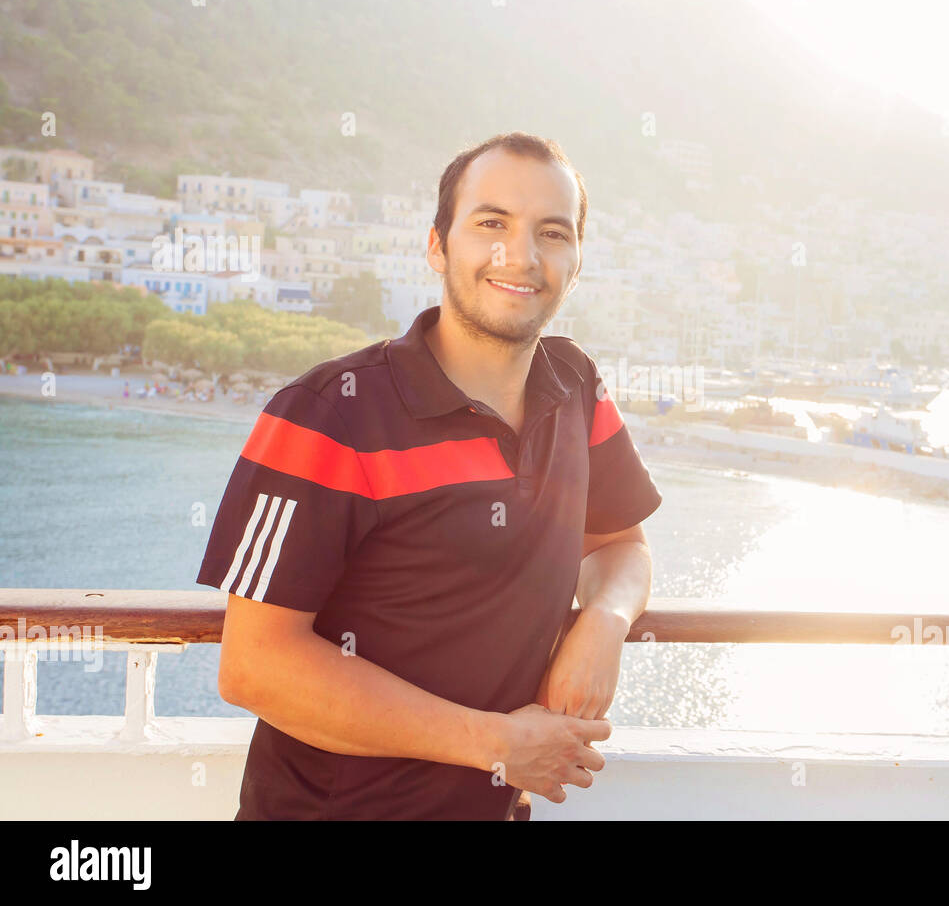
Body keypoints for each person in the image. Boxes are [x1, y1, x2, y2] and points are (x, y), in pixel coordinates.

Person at [197, 132, 661, 820]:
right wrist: (498, 743)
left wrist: (603, 623)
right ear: (438, 245)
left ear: (577, 260)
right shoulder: (328, 414)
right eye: (491, 223)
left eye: (552, 233)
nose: (521, 256)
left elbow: (622, 543)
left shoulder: (577, 385)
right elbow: (254, 666)